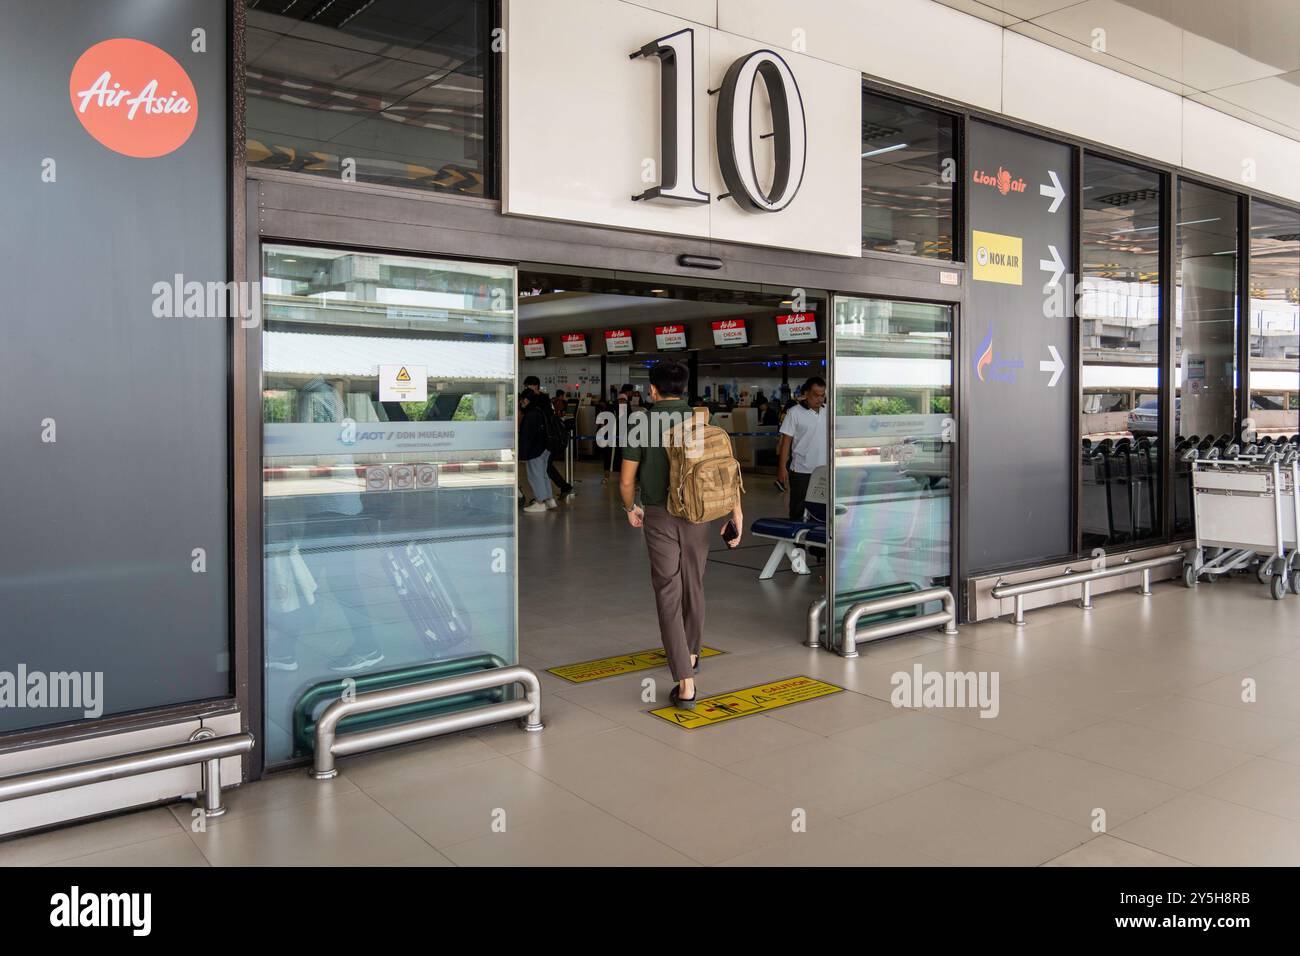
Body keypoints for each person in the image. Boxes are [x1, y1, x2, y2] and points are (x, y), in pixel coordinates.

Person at [620, 360, 743, 710]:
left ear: (653, 390)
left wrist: (631, 508)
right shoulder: (703, 419)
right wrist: (733, 513)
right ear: (686, 389)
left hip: (660, 515)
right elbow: (723, 471)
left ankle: (685, 683)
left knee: (668, 591)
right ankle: (690, 652)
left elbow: (627, 480)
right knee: (694, 584)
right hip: (698, 516)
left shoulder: (641, 421)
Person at [777, 375, 828, 521]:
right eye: (815, 395)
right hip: (801, 471)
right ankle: (796, 541)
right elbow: (786, 442)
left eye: (822, 395)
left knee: (820, 510)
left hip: (823, 470)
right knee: (798, 509)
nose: (819, 399)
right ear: (806, 394)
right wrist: (781, 468)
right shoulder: (794, 413)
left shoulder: (828, 412)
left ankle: (815, 542)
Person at [522, 375, 575, 500]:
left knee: (540, 470)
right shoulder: (545, 399)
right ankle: (548, 498)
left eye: (527, 386)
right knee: (545, 469)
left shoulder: (539, 401)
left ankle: (542, 499)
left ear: (535, 385)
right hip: (548, 440)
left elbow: (533, 419)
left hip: (542, 441)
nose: (526, 388)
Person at [519, 391, 556, 513]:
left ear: (527, 400)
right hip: (546, 448)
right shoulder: (541, 411)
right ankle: (549, 500)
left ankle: (540, 502)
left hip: (535, 450)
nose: (521, 403)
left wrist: (523, 454)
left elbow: (527, 436)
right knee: (543, 474)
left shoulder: (531, 414)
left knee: (535, 476)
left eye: (522, 400)